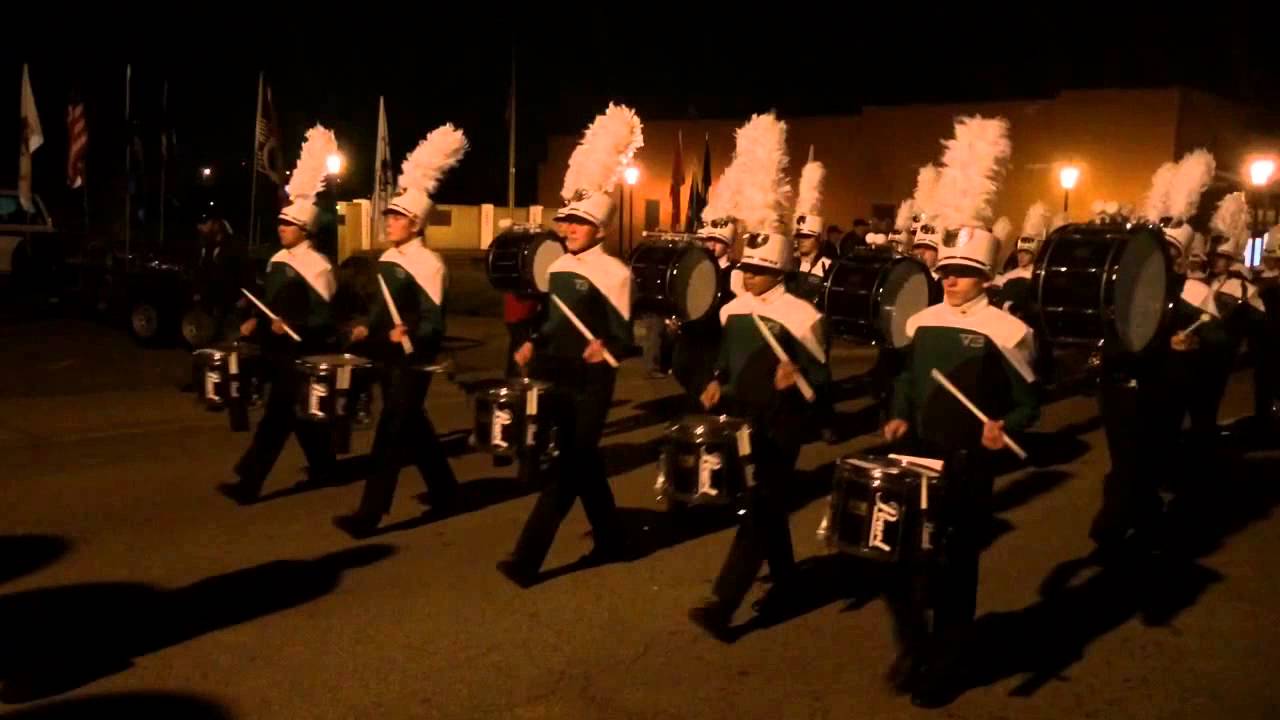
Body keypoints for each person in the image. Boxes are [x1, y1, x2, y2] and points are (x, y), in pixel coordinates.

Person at [879, 116, 1037, 708]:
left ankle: (945, 664)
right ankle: (914, 647)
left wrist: (1008, 429)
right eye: (945, 270)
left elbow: (1028, 406)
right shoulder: (922, 322)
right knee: (904, 564)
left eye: (963, 273)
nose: (949, 279)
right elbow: (904, 382)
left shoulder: (1008, 330)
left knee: (956, 569)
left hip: (970, 462)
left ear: (985, 276)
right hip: (916, 454)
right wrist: (898, 413)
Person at [688, 112, 831, 639]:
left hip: (783, 422)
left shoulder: (803, 315)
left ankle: (723, 605)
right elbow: (727, 359)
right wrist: (716, 382)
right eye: (746, 268)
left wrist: (800, 375)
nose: (747, 276)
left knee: (759, 509)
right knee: (760, 506)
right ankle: (789, 578)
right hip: (743, 416)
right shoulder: (733, 311)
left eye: (759, 270)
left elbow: (823, 375)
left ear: (781, 272)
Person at [496, 104, 643, 588]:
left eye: (579, 224)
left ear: (599, 228)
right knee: (585, 466)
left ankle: (526, 559)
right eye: (567, 223)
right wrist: (531, 345)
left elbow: (626, 333)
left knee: (567, 469)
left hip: (593, 382)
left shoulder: (614, 272)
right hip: (556, 374)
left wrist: (608, 348)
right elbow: (553, 324)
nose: (569, 230)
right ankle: (613, 540)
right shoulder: (557, 269)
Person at [333, 124, 468, 538]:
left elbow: (433, 321)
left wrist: (410, 335)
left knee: (391, 432)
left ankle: (370, 514)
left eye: (396, 216)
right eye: (389, 215)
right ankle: (446, 491)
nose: (388, 221)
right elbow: (380, 309)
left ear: (416, 224)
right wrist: (365, 329)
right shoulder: (389, 259)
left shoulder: (430, 263)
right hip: (387, 354)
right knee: (413, 427)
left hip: (413, 359)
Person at [220, 126, 340, 505]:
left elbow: (325, 318)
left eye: (288, 224)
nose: (281, 228)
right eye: (281, 223)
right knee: (299, 420)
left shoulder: (318, 266)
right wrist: (256, 320)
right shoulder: (276, 261)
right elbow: (265, 299)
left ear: (304, 229)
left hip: (303, 354)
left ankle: (248, 482)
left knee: (277, 418)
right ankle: (325, 468)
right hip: (276, 351)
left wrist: (294, 326)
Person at [672, 215, 738, 406]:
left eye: (718, 241)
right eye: (709, 240)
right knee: (681, 368)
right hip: (692, 332)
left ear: (729, 245)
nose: (711, 245)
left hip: (715, 336)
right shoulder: (697, 267)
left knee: (708, 380)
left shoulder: (735, 273)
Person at [191, 202, 246, 342]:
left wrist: (243, 296)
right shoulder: (206, 244)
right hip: (212, 301)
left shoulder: (234, 243)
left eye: (204, 223)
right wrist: (198, 291)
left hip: (231, 302)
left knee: (229, 340)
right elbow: (202, 269)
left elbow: (244, 270)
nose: (200, 228)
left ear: (216, 223)